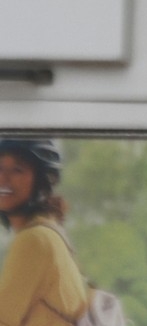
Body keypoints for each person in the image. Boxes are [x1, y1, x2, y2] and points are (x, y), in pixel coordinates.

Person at [0, 138, 89, 326]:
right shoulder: (49, 233)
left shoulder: (35, 239)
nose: (3, 179)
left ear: (41, 181)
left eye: (17, 170)